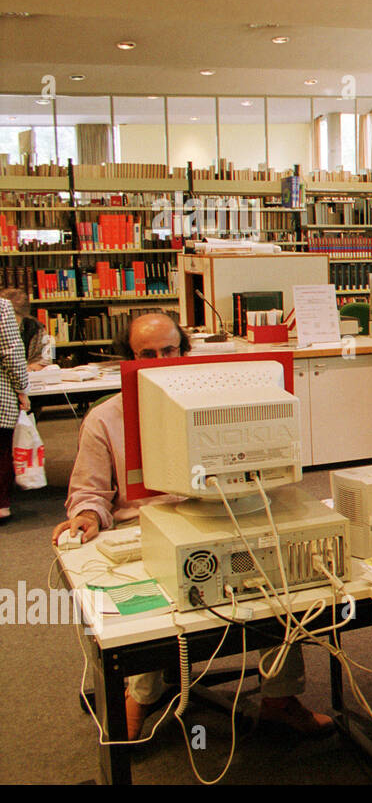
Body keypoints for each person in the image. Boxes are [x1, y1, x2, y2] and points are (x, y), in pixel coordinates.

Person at [53, 313, 333, 740]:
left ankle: (280, 698)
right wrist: (88, 515)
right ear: (129, 360)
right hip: (143, 530)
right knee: (153, 602)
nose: (162, 361)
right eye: (148, 354)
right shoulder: (106, 419)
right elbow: (88, 492)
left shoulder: (227, 402)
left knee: (280, 582)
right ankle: (142, 694)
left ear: (185, 352)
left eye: (170, 351)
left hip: (226, 515)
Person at [1, 297, 30, 524]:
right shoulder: (1, 307)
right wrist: (21, 388)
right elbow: (12, 352)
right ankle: (1, 506)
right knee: (1, 451)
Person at [0, 288, 49, 370]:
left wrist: (29, 368)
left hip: (29, 377)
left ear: (23, 315)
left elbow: (46, 361)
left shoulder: (36, 328)